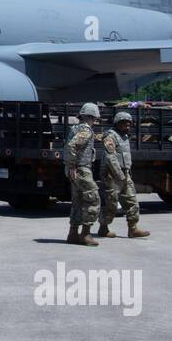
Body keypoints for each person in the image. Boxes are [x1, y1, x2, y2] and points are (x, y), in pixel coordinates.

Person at [97, 111, 149, 238]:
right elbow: (111, 158)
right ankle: (103, 227)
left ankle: (133, 228)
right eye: (125, 124)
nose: (128, 127)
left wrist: (126, 173)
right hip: (112, 175)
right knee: (112, 204)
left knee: (132, 201)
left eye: (129, 124)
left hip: (125, 173)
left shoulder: (125, 137)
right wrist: (119, 175)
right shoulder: (110, 136)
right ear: (118, 123)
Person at [64, 102, 102, 245]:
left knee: (78, 201)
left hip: (76, 169)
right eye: (95, 119)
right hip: (81, 169)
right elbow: (72, 145)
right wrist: (73, 165)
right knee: (93, 200)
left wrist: (70, 166)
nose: (95, 122)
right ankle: (86, 234)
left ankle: (73, 234)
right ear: (91, 117)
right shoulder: (85, 130)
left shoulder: (75, 128)